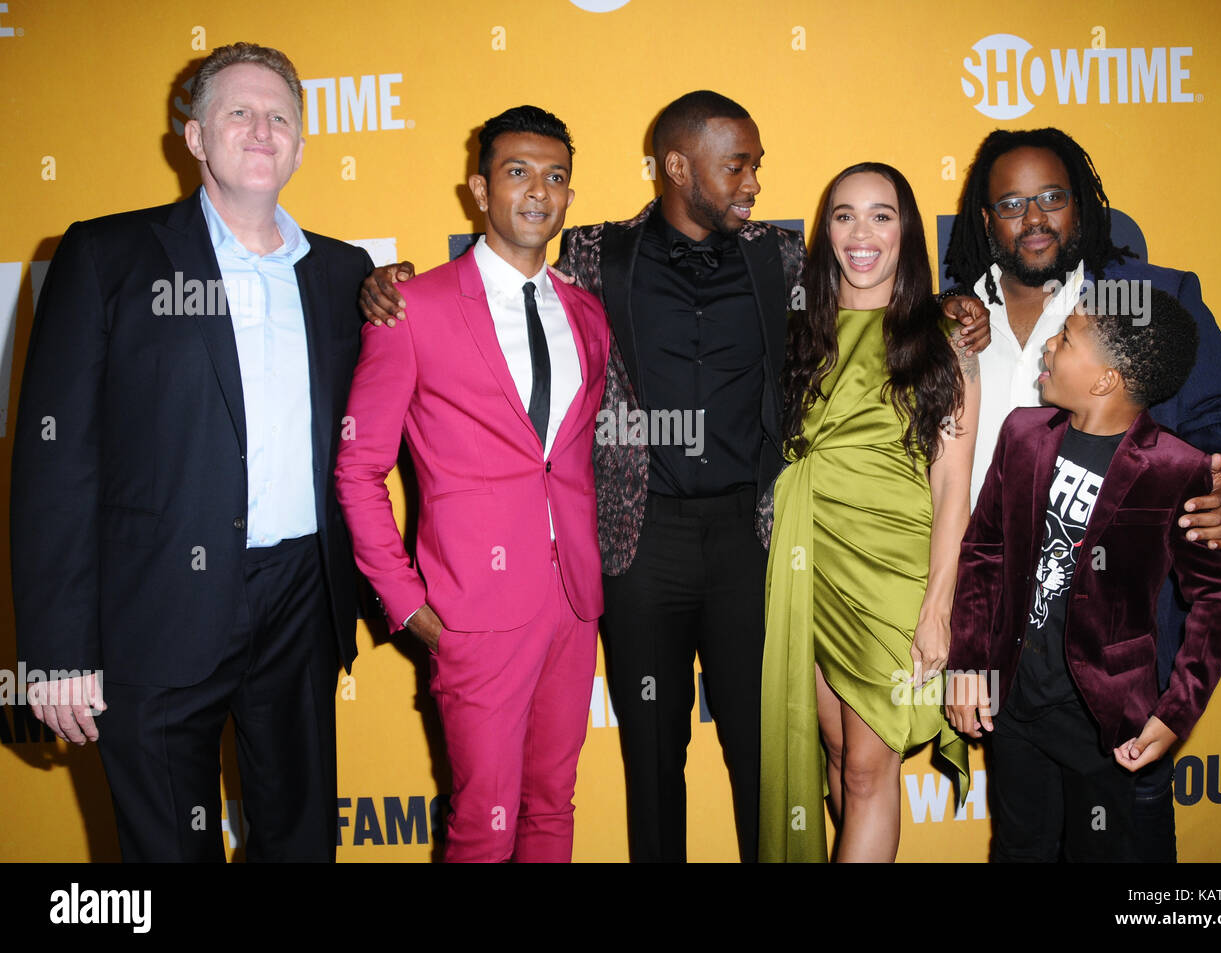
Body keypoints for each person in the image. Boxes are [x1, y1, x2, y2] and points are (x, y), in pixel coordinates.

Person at [358, 92, 990, 863]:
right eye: (739, 165)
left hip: (752, 542)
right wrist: (379, 285)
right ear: (681, 168)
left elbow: (882, 305)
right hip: (636, 541)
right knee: (649, 758)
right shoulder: (592, 253)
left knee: (768, 755)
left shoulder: (782, 258)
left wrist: (959, 307)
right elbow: (489, 291)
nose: (754, 179)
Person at [11, 42, 374, 861]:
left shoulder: (344, 274)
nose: (260, 129)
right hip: (154, 607)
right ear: (196, 139)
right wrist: (60, 651)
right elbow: (54, 463)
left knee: (303, 843)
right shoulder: (107, 256)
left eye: (279, 116)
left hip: (298, 603)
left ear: (301, 144)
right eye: (237, 112)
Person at [942, 127, 1221, 861]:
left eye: (1052, 197)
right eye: (1013, 203)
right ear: (985, 219)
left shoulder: (1147, 299)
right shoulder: (955, 318)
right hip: (1014, 664)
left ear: (1081, 206)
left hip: (1126, 666)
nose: (1034, 219)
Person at [334, 106, 609, 863]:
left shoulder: (587, 313)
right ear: (478, 190)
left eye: (555, 177)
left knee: (553, 806)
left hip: (573, 603)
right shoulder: (411, 308)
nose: (537, 192)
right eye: (516, 172)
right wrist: (405, 598)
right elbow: (359, 467)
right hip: (473, 609)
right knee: (482, 824)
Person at [761, 163, 979, 863]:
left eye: (882, 216)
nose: (862, 233)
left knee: (866, 767)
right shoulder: (794, 335)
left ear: (907, 232)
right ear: (824, 232)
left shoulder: (948, 338)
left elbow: (954, 485)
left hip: (895, 575)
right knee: (834, 751)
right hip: (809, 564)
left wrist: (939, 607)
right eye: (844, 215)